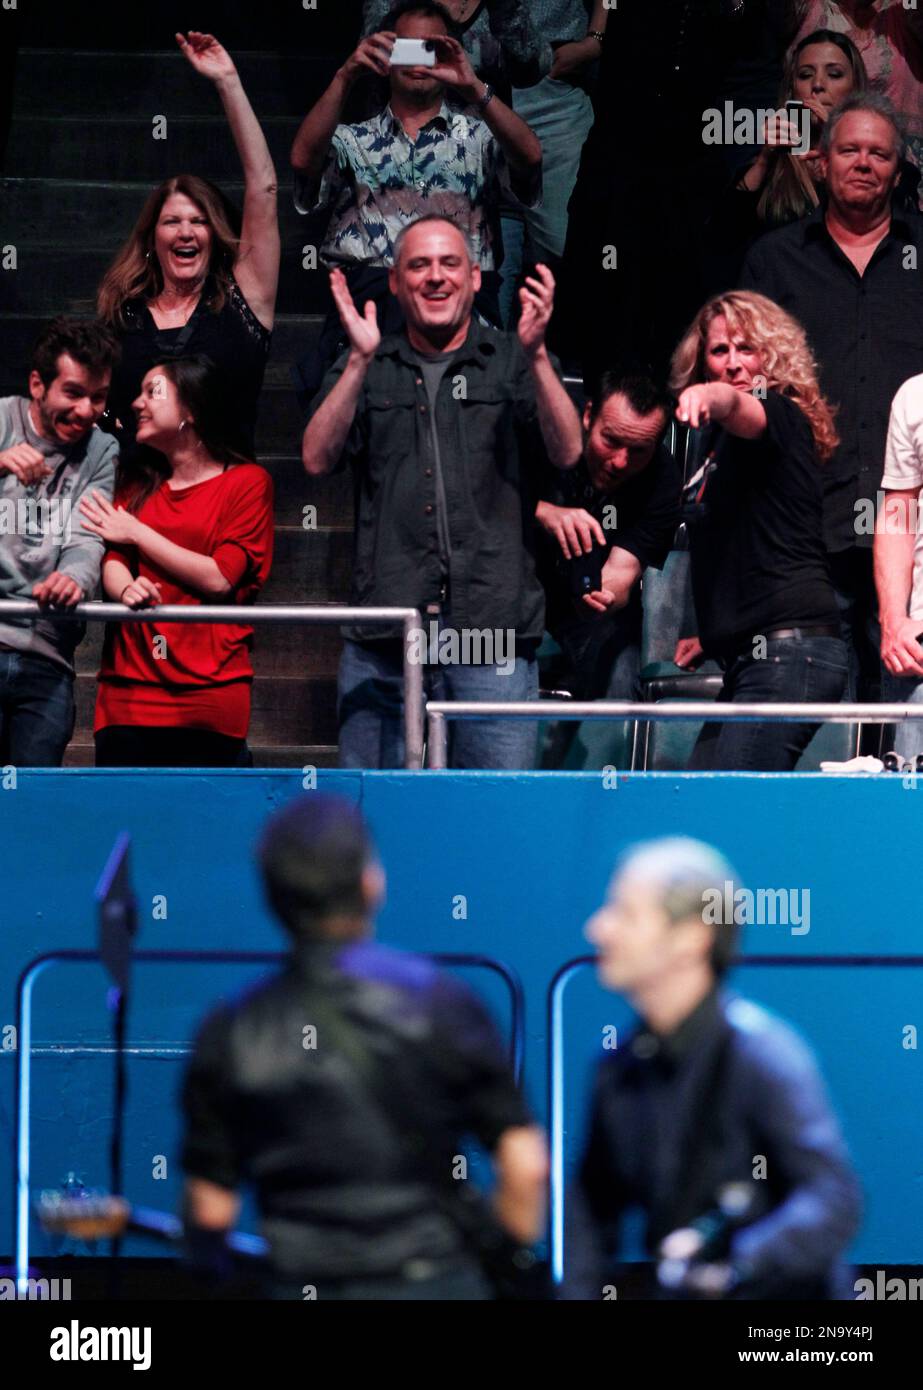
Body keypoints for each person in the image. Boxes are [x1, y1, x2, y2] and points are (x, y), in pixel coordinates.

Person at [181, 792, 548, 1300]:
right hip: (435, 1282)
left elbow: (210, 1209)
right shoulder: (442, 1002)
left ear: (270, 895)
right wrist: (505, 1265)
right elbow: (525, 1165)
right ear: (371, 884)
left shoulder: (232, 1028)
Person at [303, 213, 583, 770]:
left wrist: (536, 356)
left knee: (493, 818)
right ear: (395, 282)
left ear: (475, 278)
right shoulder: (369, 362)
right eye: (419, 265)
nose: (435, 276)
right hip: (387, 636)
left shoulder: (510, 359)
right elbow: (315, 458)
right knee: (374, 816)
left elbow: (568, 451)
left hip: (490, 634)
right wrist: (358, 360)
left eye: (449, 263)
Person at [565, 837, 862, 1300]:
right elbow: (590, 1214)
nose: (598, 928)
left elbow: (834, 1201)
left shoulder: (762, 1057)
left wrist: (738, 1265)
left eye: (624, 913)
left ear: (691, 938)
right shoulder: (618, 1070)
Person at [740, 92, 923, 730]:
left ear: (899, 172)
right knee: (818, 724)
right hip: (806, 523)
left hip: (915, 535)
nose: (864, 164)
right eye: (850, 150)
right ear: (820, 162)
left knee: (901, 724)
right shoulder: (774, 259)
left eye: (880, 154)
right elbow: (744, 377)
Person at [290, 1, 542, 405]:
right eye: (406, 47)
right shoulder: (354, 140)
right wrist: (345, 75)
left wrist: (474, 85)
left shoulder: (478, 138)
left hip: (460, 323)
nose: (419, 59)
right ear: (386, 58)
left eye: (433, 48)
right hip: (371, 320)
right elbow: (304, 160)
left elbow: (530, 157)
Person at [669, 290, 847, 771]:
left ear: (771, 355)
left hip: (793, 655)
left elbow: (739, 406)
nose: (732, 364)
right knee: (705, 795)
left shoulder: (778, 412)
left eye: (746, 348)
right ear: (702, 359)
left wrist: (712, 395)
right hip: (759, 655)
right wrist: (715, 637)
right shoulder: (719, 449)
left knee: (731, 809)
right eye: (719, 351)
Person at [78, 354, 274, 769]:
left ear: (191, 409)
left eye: (153, 392)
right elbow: (113, 559)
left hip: (210, 695)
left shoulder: (246, 483)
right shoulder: (135, 483)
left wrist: (137, 533)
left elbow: (221, 577)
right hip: (128, 695)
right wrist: (125, 588)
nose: (136, 403)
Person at [97, 31, 280, 461]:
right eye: (172, 221)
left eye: (199, 221)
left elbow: (264, 188)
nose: (185, 232)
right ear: (151, 238)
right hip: (135, 500)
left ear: (215, 237)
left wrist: (228, 82)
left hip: (223, 503)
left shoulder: (244, 302)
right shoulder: (123, 316)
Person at [535, 371, 680, 767]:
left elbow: (623, 572)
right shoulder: (541, 434)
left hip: (592, 610)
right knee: (491, 671)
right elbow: (485, 501)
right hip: (515, 596)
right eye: (611, 441)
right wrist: (546, 513)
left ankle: (603, 798)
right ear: (587, 416)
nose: (620, 462)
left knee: (618, 679)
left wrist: (601, 596)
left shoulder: (662, 479)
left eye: (639, 450)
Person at [0, 317, 120, 766]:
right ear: (37, 384)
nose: (87, 410)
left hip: (46, 655)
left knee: (33, 810)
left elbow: (88, 535)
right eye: (73, 393)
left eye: (99, 397)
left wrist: (73, 579)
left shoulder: (101, 450)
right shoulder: (3, 418)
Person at [496, 1, 610, 329]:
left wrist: (595, 41)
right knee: (484, 263)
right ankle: (487, 376)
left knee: (571, 252)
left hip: (553, 83)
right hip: (475, 77)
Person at [792, 0, 923, 205]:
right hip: (805, 164)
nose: (818, 83)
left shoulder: (905, 8)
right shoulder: (808, 8)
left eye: (834, 74)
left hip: (898, 169)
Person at [873, 375, 923, 759]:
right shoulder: (914, 395)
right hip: (919, 646)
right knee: (913, 812)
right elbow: (897, 511)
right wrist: (892, 621)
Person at [361, 0, 550, 92]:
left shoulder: (502, 5)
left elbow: (530, 70)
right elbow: (371, 56)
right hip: (405, 140)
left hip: (483, 142)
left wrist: (506, 13)